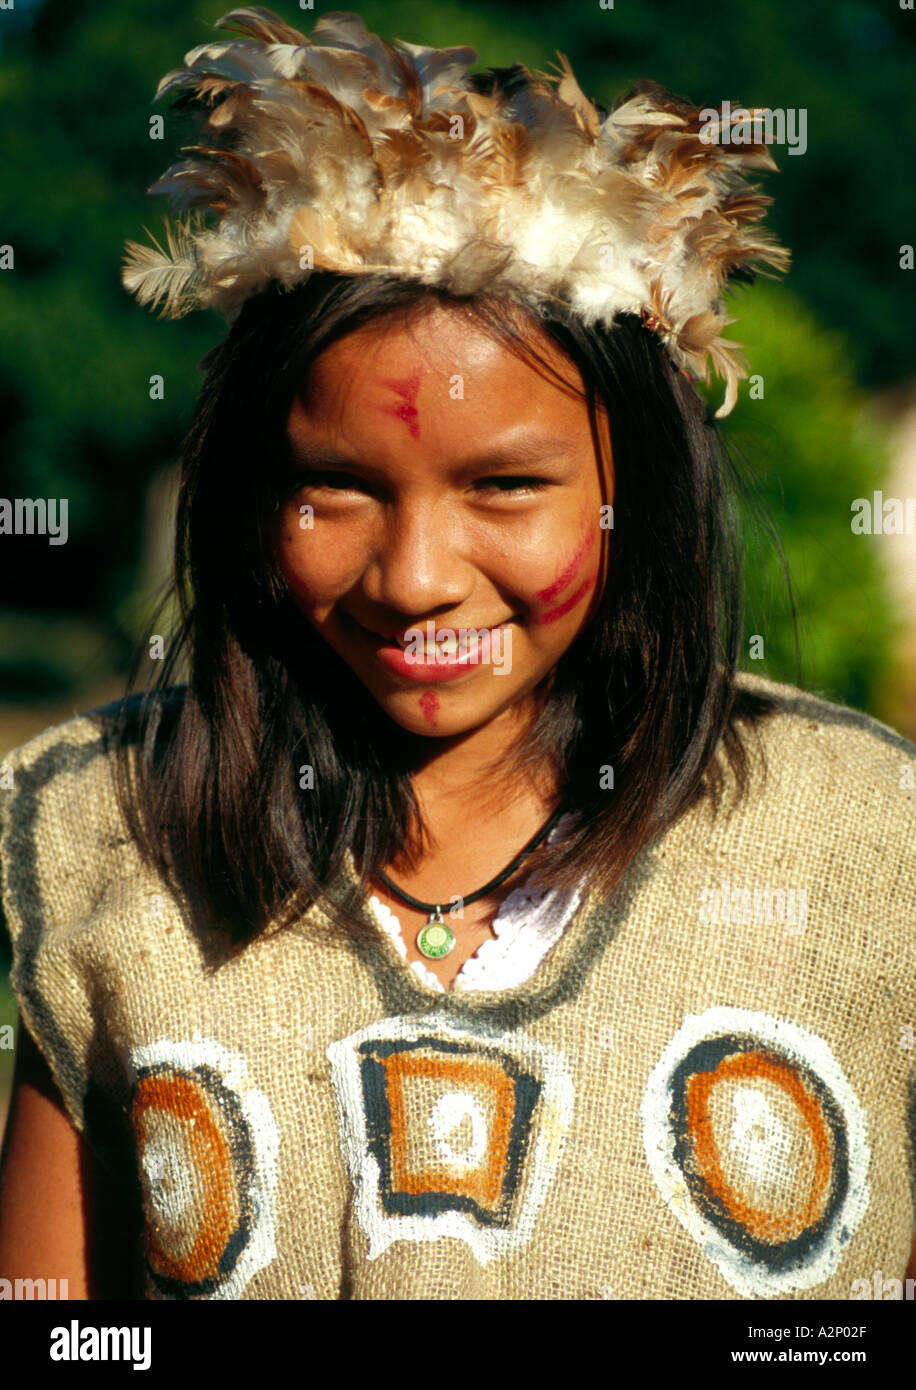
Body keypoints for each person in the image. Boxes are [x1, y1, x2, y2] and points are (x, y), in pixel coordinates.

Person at [1, 8, 914, 1302]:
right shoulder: (115, 837)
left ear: (632, 490)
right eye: (335, 487)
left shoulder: (865, 843)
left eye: (504, 484)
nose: (417, 573)